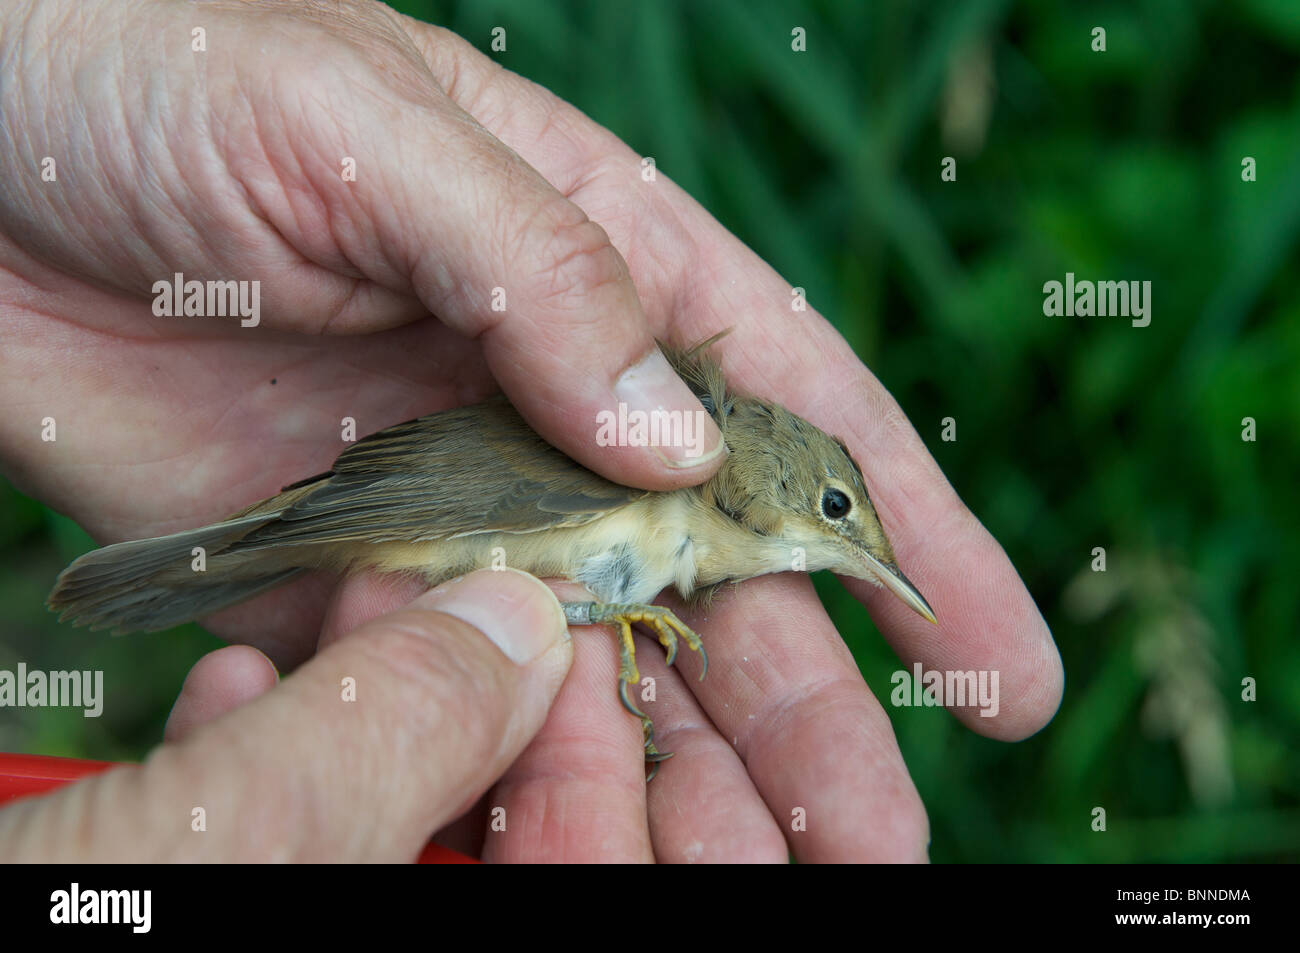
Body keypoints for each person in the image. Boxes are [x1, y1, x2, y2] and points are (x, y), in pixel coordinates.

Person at [0, 0, 1061, 862]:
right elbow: (451, 501)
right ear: (772, 480)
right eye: (838, 514)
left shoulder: (695, 535)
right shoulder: (654, 469)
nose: (848, 544)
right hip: (414, 501)